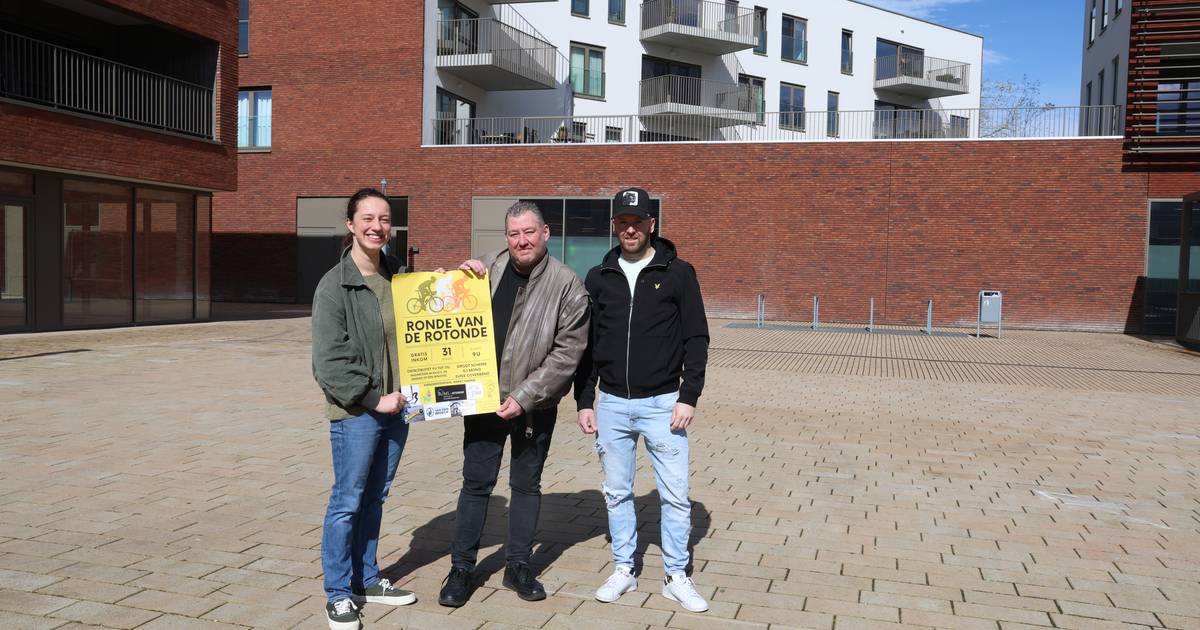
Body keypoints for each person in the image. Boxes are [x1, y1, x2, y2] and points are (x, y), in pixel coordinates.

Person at [438, 201, 590, 607]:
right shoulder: (485, 268)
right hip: (483, 400)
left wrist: (524, 397)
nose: (521, 241)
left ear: (545, 233)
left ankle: (518, 565)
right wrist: (449, 283)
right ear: (506, 236)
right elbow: (450, 317)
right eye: (513, 233)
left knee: (525, 485)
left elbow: (567, 355)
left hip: (534, 406)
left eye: (529, 232)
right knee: (475, 484)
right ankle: (461, 568)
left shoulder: (568, 285)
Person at [574, 187, 711, 613]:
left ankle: (675, 575)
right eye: (623, 222)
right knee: (617, 493)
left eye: (637, 222)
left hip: (664, 404)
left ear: (651, 224)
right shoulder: (599, 276)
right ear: (614, 226)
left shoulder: (678, 273)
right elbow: (587, 344)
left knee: (675, 495)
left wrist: (688, 396)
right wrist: (585, 399)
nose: (630, 229)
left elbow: (697, 337)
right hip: (613, 404)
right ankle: (624, 569)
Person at [312, 188, 415, 630]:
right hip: (358, 413)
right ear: (351, 225)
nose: (377, 226)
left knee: (375, 498)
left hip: (399, 411)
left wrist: (463, 279)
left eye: (385, 219)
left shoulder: (401, 276)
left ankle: (366, 579)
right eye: (368, 218)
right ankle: (338, 593)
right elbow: (328, 362)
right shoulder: (334, 286)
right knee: (347, 501)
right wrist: (374, 398)